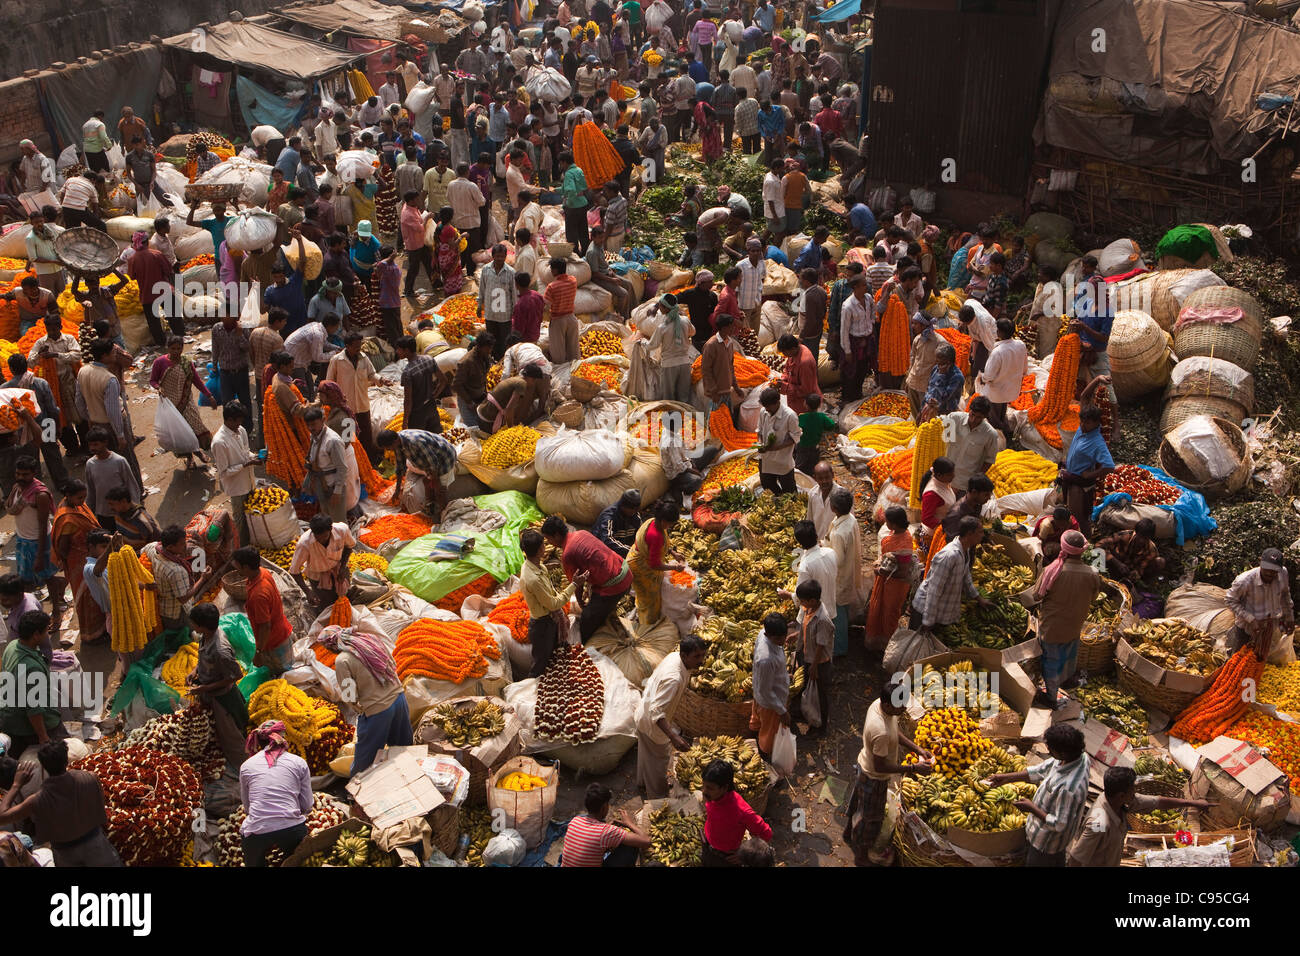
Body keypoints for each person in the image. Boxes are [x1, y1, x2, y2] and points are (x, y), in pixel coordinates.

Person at [844, 678, 933, 867]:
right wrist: (913, 768)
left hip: (863, 764)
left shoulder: (880, 705)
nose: (904, 710)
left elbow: (896, 731)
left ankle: (848, 834)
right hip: (873, 777)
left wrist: (916, 749)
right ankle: (861, 857)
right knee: (871, 820)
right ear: (888, 704)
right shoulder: (880, 731)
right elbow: (880, 767)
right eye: (900, 707)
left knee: (858, 806)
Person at [0, 739, 122, 866]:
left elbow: (2, 817)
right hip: (96, 845)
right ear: (65, 760)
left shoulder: (37, 800)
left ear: (43, 765)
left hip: (66, 855)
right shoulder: (90, 777)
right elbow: (100, 804)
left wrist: (16, 785)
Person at [1068, 765, 1215, 867]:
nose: (1135, 792)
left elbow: (1158, 802)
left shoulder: (1122, 801)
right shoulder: (1099, 824)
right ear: (1122, 795)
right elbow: (1075, 859)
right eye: (1132, 789)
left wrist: (1193, 803)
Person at [988, 723, 1089, 867]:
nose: (1047, 751)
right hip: (1038, 833)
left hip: (1046, 844)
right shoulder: (1077, 755)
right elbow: (1042, 769)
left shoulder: (1069, 788)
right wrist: (1006, 777)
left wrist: (1031, 808)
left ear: (1063, 753)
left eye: (1050, 749)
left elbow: (1060, 824)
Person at [319, 623, 411, 775]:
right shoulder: (370, 641)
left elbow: (350, 695)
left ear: (330, 647)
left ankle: (356, 792)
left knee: (364, 761)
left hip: (379, 710)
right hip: (399, 698)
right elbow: (392, 663)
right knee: (404, 751)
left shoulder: (343, 660)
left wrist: (360, 710)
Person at [1029, 529, 1100, 707]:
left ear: (1064, 548)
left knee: (1051, 660)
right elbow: (1093, 597)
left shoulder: (1052, 570)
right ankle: (1066, 680)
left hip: (1052, 625)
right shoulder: (1092, 573)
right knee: (1068, 655)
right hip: (1075, 623)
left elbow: (1036, 595)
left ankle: (1051, 697)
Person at [634, 635, 707, 798]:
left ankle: (642, 783)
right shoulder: (674, 679)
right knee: (658, 762)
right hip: (652, 722)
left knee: (646, 753)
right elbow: (656, 711)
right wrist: (673, 736)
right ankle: (658, 797)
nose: (701, 660)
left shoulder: (675, 657)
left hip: (643, 711)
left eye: (703, 655)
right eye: (697, 656)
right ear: (684, 656)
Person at [542, 515, 632, 645]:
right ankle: (604, 614)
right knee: (598, 605)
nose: (549, 542)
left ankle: (586, 646)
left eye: (548, 538)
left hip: (616, 585)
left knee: (587, 618)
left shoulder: (568, 554)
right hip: (626, 572)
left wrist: (580, 601)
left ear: (556, 535)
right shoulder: (581, 533)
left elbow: (577, 583)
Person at [239, 719, 314, 867]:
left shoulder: (246, 766)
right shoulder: (298, 762)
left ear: (258, 740)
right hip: (292, 828)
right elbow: (307, 805)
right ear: (283, 738)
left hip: (256, 830)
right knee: (299, 861)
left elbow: (247, 808)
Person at [185, 602, 250, 767]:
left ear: (202, 626)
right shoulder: (206, 636)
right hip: (209, 690)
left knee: (232, 736)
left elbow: (235, 675)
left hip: (223, 697)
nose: (191, 625)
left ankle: (243, 765)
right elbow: (204, 658)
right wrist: (195, 671)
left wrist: (204, 688)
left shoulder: (221, 650)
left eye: (193, 623)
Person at [5, 455, 63, 629]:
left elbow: (42, 524)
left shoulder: (40, 495)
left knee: (48, 578)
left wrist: (39, 557)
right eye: (18, 473)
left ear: (34, 473)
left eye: (25, 474)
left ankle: (57, 612)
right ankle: (31, 613)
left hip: (39, 542)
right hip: (23, 540)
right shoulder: (17, 488)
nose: (21, 477)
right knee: (26, 581)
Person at [912, 516, 991, 637]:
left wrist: (979, 599)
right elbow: (934, 590)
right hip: (924, 611)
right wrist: (928, 621)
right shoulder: (949, 556)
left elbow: (966, 578)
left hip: (939, 612)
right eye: (980, 532)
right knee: (916, 650)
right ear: (970, 534)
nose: (983, 535)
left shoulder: (965, 550)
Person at [0, 611, 65, 755]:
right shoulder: (30, 667)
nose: (47, 635)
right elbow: (34, 709)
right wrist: (43, 737)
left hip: (9, 718)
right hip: (27, 726)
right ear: (36, 634)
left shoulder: (12, 646)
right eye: (46, 631)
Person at [51, 480, 104, 643]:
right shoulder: (68, 520)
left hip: (89, 556)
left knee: (98, 593)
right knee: (87, 597)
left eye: (84, 497)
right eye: (80, 498)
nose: (83, 502)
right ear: (68, 496)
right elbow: (63, 549)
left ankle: (102, 628)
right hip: (79, 563)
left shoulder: (75, 507)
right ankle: (91, 635)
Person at [149, 335, 214, 467]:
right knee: (181, 433)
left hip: (186, 401)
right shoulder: (159, 362)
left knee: (195, 425)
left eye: (179, 348)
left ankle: (198, 451)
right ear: (168, 348)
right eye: (173, 348)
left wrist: (209, 395)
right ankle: (190, 456)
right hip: (170, 404)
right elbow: (153, 380)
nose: (176, 352)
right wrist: (158, 388)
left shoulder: (186, 362)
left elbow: (196, 381)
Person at [232, 547, 295, 674]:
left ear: (246, 567)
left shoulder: (259, 595)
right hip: (280, 632)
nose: (234, 567)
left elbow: (265, 626)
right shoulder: (262, 572)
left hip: (274, 642)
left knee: (283, 674)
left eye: (237, 565)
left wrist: (259, 652)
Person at [561, 781, 652, 867]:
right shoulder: (606, 832)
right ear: (604, 807)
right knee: (631, 846)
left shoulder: (574, 821)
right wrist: (629, 823)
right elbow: (647, 841)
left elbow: (589, 843)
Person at [1225, 548, 1295, 658]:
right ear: (1260, 562)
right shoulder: (1244, 580)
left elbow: (1285, 595)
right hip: (1246, 629)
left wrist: (1289, 617)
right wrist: (1250, 619)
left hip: (1270, 627)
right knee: (1238, 662)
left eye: (1274, 571)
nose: (1269, 573)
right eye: (1266, 568)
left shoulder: (1283, 573)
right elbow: (1230, 600)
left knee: (1261, 661)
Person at [1058, 404, 1114, 538]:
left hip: (1079, 484)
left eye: (1087, 422)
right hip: (1070, 477)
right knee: (1068, 511)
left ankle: (1086, 543)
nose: (1083, 424)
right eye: (1081, 421)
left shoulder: (1097, 442)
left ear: (1096, 423)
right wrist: (1097, 381)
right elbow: (1084, 396)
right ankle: (1070, 538)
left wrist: (1090, 474)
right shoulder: (1082, 430)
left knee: (1079, 517)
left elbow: (1109, 466)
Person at [628, 498, 685, 629]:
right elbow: (654, 565)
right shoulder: (656, 535)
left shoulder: (651, 521)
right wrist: (675, 567)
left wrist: (672, 553)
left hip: (637, 556)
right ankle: (647, 625)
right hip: (642, 566)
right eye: (670, 524)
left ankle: (641, 609)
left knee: (644, 594)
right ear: (664, 521)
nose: (670, 527)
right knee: (649, 599)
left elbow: (656, 548)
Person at [375, 429, 455, 521]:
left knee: (440, 490)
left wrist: (437, 483)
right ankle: (431, 508)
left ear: (395, 441)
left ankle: (446, 517)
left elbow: (433, 464)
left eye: (388, 447)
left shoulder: (414, 442)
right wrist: (397, 490)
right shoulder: (398, 444)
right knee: (427, 482)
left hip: (444, 458)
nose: (388, 450)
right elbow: (400, 467)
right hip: (429, 462)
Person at [324, 331, 379, 465]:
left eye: (359, 345)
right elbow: (329, 382)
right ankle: (352, 463)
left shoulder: (363, 358)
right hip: (346, 407)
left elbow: (372, 374)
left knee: (366, 435)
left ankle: (369, 463)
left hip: (362, 404)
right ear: (347, 346)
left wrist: (381, 380)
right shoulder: (337, 360)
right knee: (349, 438)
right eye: (355, 346)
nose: (358, 348)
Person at [866, 505, 915, 651]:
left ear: (893, 524)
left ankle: (886, 646)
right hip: (886, 581)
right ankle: (877, 640)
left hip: (895, 586)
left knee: (890, 613)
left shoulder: (904, 543)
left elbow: (903, 572)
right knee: (880, 609)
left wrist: (882, 572)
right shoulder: (898, 535)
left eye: (887, 521)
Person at [791, 579, 833, 732]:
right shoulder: (809, 610)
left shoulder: (822, 619)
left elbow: (821, 645)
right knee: (807, 686)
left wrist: (814, 666)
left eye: (803, 601)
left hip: (820, 662)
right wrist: (796, 635)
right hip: (808, 656)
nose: (801, 604)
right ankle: (805, 713)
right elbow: (807, 628)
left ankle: (820, 727)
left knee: (820, 694)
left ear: (813, 600)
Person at [976, 318, 1029, 437]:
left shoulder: (998, 352)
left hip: (996, 392)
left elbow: (989, 375)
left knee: (994, 417)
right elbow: (1025, 368)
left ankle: (1001, 436)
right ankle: (1005, 429)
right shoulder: (1020, 345)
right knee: (1002, 410)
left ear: (999, 332)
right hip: (1011, 389)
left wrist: (982, 378)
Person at [749, 612, 790, 760]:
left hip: (762, 695)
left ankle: (755, 738)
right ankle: (765, 757)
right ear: (768, 635)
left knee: (759, 723)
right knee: (769, 735)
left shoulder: (763, 634)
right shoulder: (766, 659)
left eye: (784, 636)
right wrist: (782, 711)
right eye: (778, 638)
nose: (782, 641)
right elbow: (766, 691)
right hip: (771, 704)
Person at [83, 428, 140, 533]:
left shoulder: (119, 461)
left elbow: (131, 485)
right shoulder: (90, 464)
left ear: (105, 442)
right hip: (103, 513)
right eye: (90, 445)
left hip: (122, 512)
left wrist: (134, 507)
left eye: (95, 444)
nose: (92, 448)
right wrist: (89, 511)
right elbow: (91, 490)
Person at [944, 396, 999, 496]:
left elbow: (989, 460)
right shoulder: (954, 418)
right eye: (972, 414)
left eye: (978, 417)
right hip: (943, 477)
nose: (973, 420)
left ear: (984, 417)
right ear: (969, 410)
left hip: (964, 483)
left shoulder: (990, 434)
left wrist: (976, 478)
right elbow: (939, 432)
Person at [286, 306, 344, 401]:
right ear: (330, 326)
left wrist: (337, 348)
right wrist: (334, 353)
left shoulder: (318, 327)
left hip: (302, 360)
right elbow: (317, 357)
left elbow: (324, 343)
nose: (336, 330)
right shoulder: (317, 334)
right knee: (303, 393)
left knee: (311, 391)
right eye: (336, 327)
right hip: (295, 362)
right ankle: (305, 412)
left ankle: (311, 408)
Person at [755, 387, 801, 496]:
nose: (766, 409)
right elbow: (759, 430)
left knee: (789, 490)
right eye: (764, 406)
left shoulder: (790, 415)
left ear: (777, 402)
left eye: (768, 406)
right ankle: (778, 500)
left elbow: (796, 436)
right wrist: (760, 442)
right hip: (766, 458)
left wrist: (777, 447)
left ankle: (792, 505)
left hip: (782, 459)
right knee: (767, 484)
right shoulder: (763, 412)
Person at [1095, 519, 1166, 587]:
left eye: (1145, 538)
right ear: (1136, 532)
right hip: (1115, 562)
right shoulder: (1123, 535)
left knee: (1160, 562)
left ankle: (1143, 585)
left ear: (1150, 538)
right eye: (1140, 536)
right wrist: (1116, 562)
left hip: (1129, 570)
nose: (1141, 541)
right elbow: (1098, 545)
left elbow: (1142, 566)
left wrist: (1136, 573)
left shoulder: (1151, 550)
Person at [478, 244, 517, 355]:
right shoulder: (486, 269)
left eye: (502, 256)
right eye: (497, 256)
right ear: (493, 256)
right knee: (491, 340)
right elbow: (482, 288)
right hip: (490, 313)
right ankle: (493, 360)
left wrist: (515, 310)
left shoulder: (511, 272)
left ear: (505, 256)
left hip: (505, 315)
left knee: (504, 340)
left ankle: (503, 361)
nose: (500, 259)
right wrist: (479, 305)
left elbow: (514, 293)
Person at [543, 258, 580, 364]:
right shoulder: (573, 280)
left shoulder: (552, 286)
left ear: (555, 270)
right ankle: (575, 371)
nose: (550, 271)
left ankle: (562, 373)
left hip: (558, 320)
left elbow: (546, 304)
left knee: (558, 352)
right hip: (571, 318)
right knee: (574, 350)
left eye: (551, 269)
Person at [776, 333, 820, 417]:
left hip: (803, 403)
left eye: (785, 352)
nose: (785, 355)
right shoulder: (793, 352)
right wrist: (783, 378)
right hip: (794, 400)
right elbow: (787, 368)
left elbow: (806, 390)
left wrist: (785, 386)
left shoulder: (804, 362)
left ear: (793, 348)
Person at [592, 489, 642, 560]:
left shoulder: (635, 516)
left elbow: (640, 535)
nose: (634, 512)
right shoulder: (609, 516)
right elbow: (607, 540)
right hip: (601, 551)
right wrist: (632, 551)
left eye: (636, 510)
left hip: (622, 551)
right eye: (632, 509)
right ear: (623, 506)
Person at [920, 343, 964, 421]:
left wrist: (942, 376)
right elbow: (929, 389)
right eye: (937, 361)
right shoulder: (935, 369)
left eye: (941, 362)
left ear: (949, 362)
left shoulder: (957, 377)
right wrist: (922, 410)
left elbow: (944, 397)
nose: (938, 364)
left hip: (944, 415)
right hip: (928, 410)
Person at [918, 455, 957, 540]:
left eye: (953, 472)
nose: (953, 476)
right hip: (934, 535)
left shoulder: (943, 482)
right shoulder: (932, 494)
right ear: (939, 475)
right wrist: (946, 524)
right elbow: (927, 519)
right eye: (950, 474)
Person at [804, 461, 845, 541]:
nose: (824, 481)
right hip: (819, 543)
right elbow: (810, 519)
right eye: (820, 478)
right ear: (815, 478)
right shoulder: (812, 494)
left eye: (827, 477)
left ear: (832, 475)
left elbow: (849, 522)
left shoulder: (842, 496)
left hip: (837, 543)